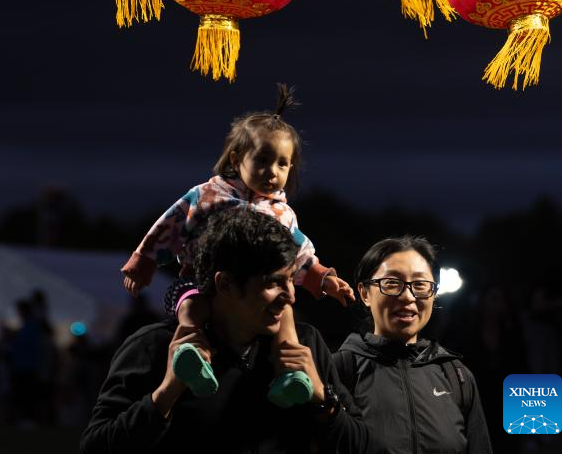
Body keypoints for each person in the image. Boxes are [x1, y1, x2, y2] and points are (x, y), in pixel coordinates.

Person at [121, 85, 354, 407]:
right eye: (262, 159)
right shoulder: (207, 195)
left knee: (285, 313)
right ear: (236, 157)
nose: (272, 171)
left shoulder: (282, 213)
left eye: (282, 164)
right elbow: (170, 225)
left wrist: (321, 277)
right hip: (197, 280)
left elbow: (300, 254)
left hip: (260, 294)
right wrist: (144, 261)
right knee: (192, 307)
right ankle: (192, 353)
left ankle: (291, 376)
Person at [82, 207, 373, 454]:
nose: (291, 295)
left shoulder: (305, 344)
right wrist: (165, 394)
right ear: (225, 285)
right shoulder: (155, 346)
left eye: (290, 280)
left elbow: (363, 446)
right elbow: (95, 447)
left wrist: (323, 398)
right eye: (273, 283)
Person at [333, 235, 493, 454]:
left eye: (420, 285)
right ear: (364, 293)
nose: (408, 296)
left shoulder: (457, 376)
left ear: (433, 293)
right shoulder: (339, 370)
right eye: (392, 283)